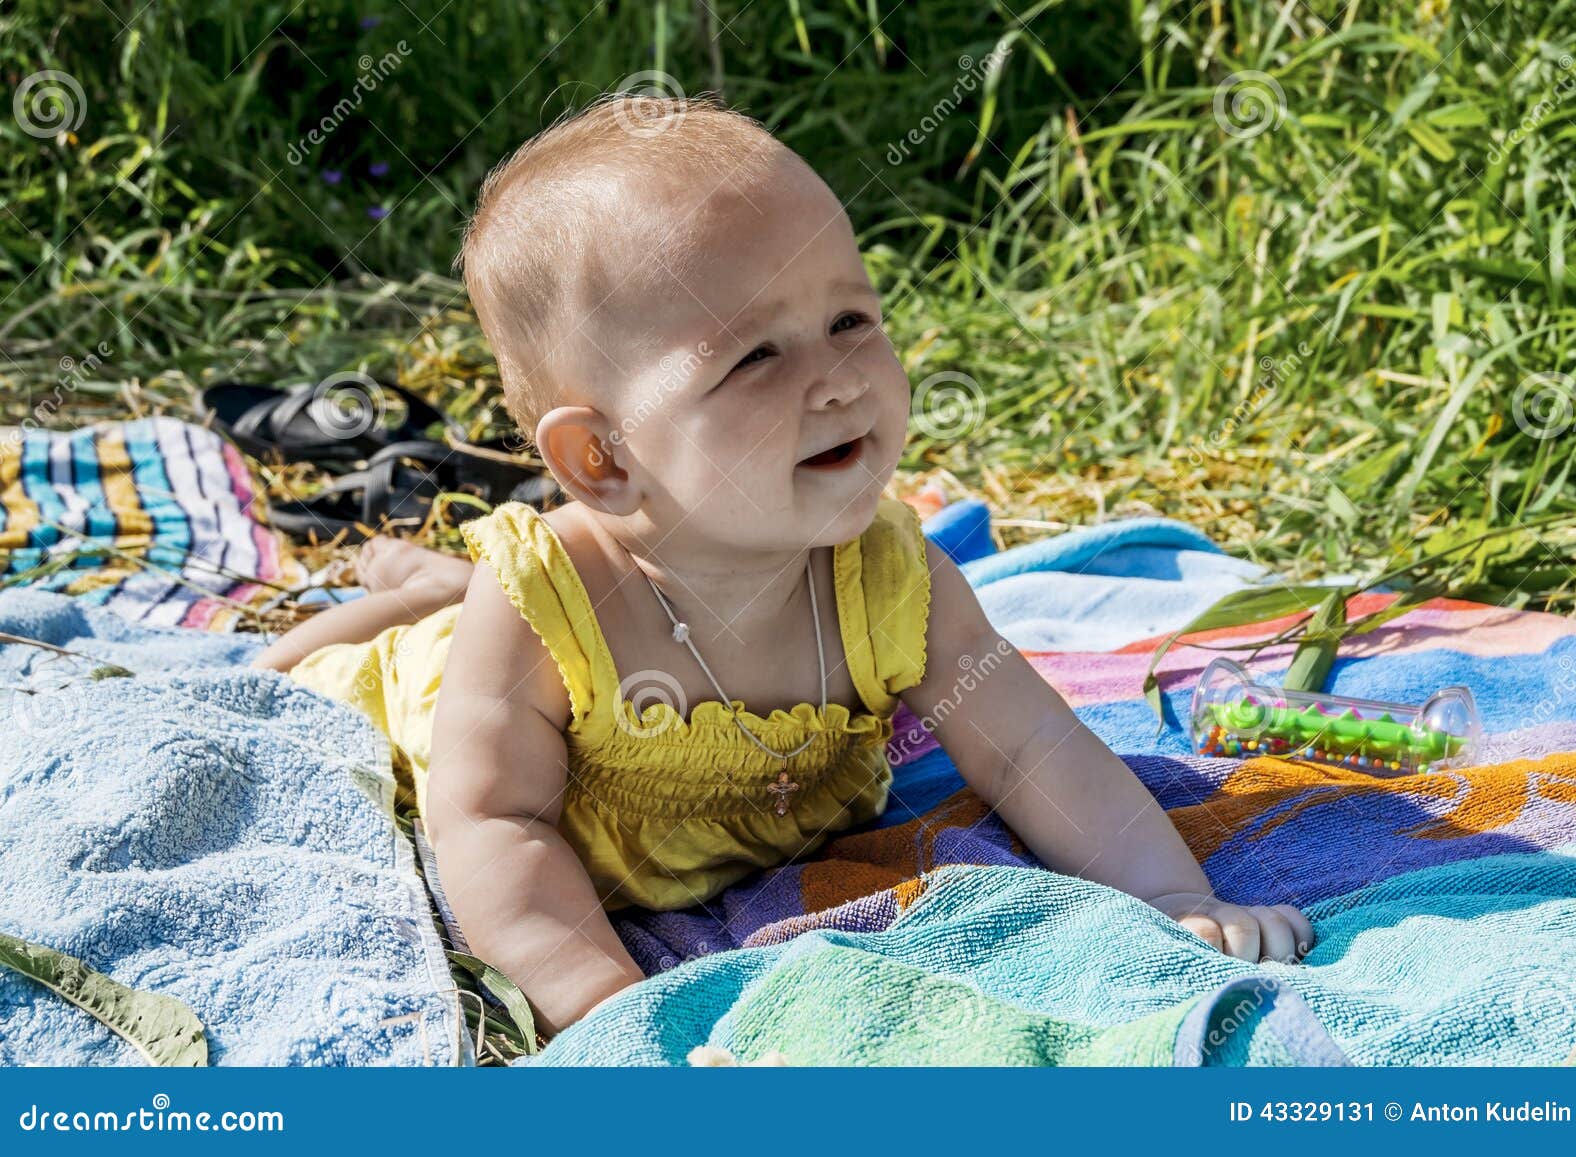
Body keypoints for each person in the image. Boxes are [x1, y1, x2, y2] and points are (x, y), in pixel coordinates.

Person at [254, 93, 1314, 1041]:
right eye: (756, 353)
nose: (840, 376)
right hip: (438, 692)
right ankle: (365, 609)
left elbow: (1034, 746)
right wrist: (607, 1009)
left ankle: (420, 577)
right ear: (601, 457)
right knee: (368, 662)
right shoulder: (540, 612)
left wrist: (1177, 896)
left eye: (850, 319)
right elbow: (495, 821)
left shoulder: (893, 579)